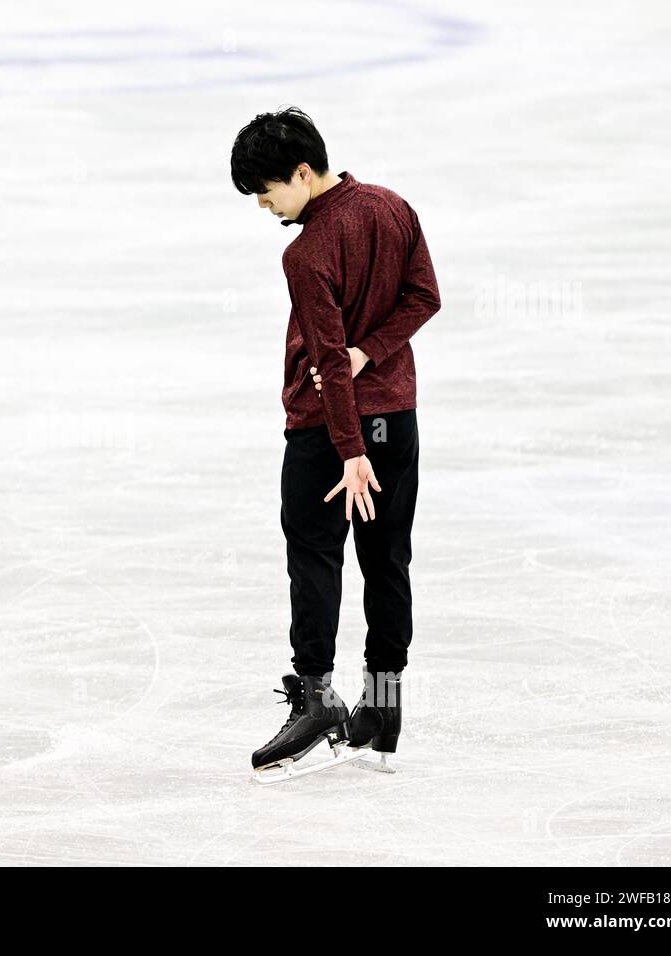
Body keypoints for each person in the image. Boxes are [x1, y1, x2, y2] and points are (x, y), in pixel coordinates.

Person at [229, 106, 441, 776]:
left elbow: (326, 365)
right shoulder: (392, 206)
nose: (265, 207)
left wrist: (349, 449)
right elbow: (423, 297)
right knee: (387, 561)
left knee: (315, 557)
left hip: (329, 433)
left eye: (266, 193)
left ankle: (317, 696)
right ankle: (383, 707)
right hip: (395, 421)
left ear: (300, 172)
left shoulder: (308, 252)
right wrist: (371, 352)